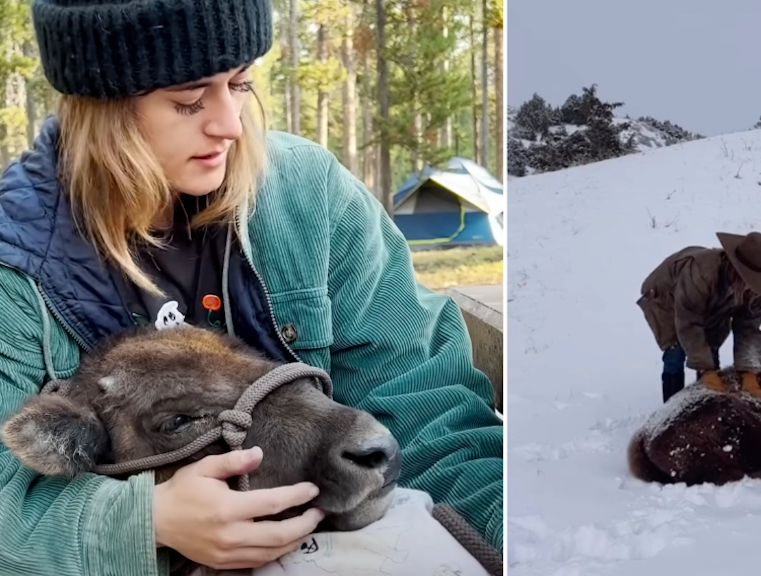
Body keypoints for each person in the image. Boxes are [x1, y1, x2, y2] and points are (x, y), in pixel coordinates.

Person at [0, 1, 503, 575]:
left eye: (239, 84)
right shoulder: (14, 271)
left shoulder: (309, 197)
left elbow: (421, 404)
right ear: (103, 105)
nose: (230, 124)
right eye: (189, 99)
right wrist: (148, 521)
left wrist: (504, 533)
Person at [636, 231, 761, 402]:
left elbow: (749, 329)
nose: (751, 286)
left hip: (712, 305)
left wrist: (749, 372)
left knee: (711, 352)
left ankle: (703, 404)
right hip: (667, 298)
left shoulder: (752, 291)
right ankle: (671, 408)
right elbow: (689, 323)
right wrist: (706, 370)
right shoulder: (701, 273)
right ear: (736, 267)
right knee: (676, 352)